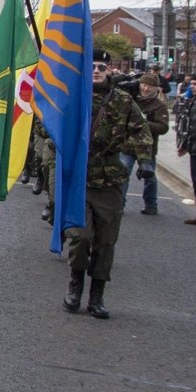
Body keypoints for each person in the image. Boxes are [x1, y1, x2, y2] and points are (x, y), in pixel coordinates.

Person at [63, 49, 152, 320]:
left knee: (106, 242)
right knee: (80, 237)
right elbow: (50, 125)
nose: (97, 71)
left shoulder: (123, 100)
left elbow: (140, 130)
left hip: (111, 180)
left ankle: (97, 295)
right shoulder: (74, 98)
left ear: (109, 69)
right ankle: (75, 285)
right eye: (92, 66)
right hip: (80, 178)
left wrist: (145, 161)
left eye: (102, 66)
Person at [123, 73, 168, 214]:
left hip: (148, 147)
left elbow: (163, 127)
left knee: (149, 177)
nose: (146, 88)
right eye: (143, 84)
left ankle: (151, 205)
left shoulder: (159, 106)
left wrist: (144, 123)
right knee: (123, 173)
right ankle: (119, 205)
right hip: (128, 145)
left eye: (150, 86)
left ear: (156, 88)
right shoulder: (131, 99)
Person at [177, 73, 196, 227]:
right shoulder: (194, 101)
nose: (191, 87)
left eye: (195, 84)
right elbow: (191, 127)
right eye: (191, 84)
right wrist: (185, 145)